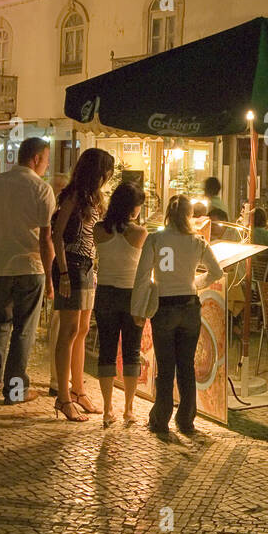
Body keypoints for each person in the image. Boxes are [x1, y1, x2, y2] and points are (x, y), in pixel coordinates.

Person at [132, 195, 224, 434]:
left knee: (165, 367)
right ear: (189, 216)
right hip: (190, 305)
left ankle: (160, 418)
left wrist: (138, 309)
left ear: (168, 214)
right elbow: (216, 272)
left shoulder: (155, 239)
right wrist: (195, 282)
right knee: (186, 365)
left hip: (164, 305)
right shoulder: (197, 242)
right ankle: (186, 419)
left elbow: (142, 277)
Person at [0, 137, 54, 405]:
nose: (46, 165)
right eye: (46, 159)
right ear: (35, 159)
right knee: (24, 330)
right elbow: (46, 239)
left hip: (1, 266)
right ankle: (15, 389)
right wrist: (51, 275)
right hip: (30, 266)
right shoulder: (41, 188)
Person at [49, 148, 113, 422]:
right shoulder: (74, 196)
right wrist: (63, 272)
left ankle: (78, 389)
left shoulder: (94, 198)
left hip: (87, 266)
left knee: (83, 328)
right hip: (71, 265)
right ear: (96, 171)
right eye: (106, 170)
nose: (108, 176)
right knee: (69, 330)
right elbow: (58, 235)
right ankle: (63, 397)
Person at [94, 181, 148, 427]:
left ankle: (107, 409)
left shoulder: (98, 229)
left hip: (104, 293)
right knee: (131, 352)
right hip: (131, 295)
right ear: (132, 207)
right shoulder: (139, 233)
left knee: (106, 351)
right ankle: (128, 408)